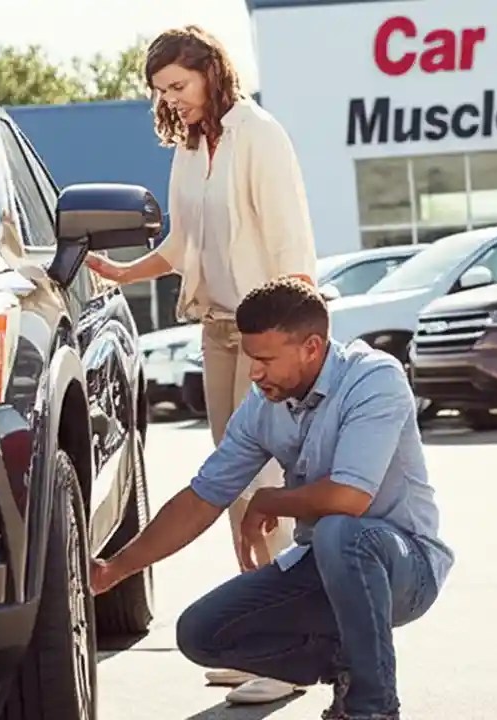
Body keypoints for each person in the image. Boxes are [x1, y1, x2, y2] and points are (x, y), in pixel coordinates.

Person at [89, 278, 453, 720]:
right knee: (202, 632)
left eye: (265, 360)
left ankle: (371, 709)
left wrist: (269, 500)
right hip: (323, 565)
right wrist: (114, 570)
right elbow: (203, 498)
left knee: (342, 532)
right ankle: (349, 663)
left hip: (405, 569)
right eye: (250, 359)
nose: (255, 373)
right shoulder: (264, 406)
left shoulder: (373, 380)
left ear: (312, 348)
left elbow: (349, 498)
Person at [83, 24, 318, 703]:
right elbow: (183, 245)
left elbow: (292, 246)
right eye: (161, 91)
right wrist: (120, 272)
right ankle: (256, 642)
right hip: (217, 332)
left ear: (212, 72)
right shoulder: (190, 147)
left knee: (269, 486)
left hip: (268, 334)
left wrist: (291, 347)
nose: (173, 100)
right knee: (232, 486)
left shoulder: (259, 135)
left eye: (179, 86)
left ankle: (290, 653)